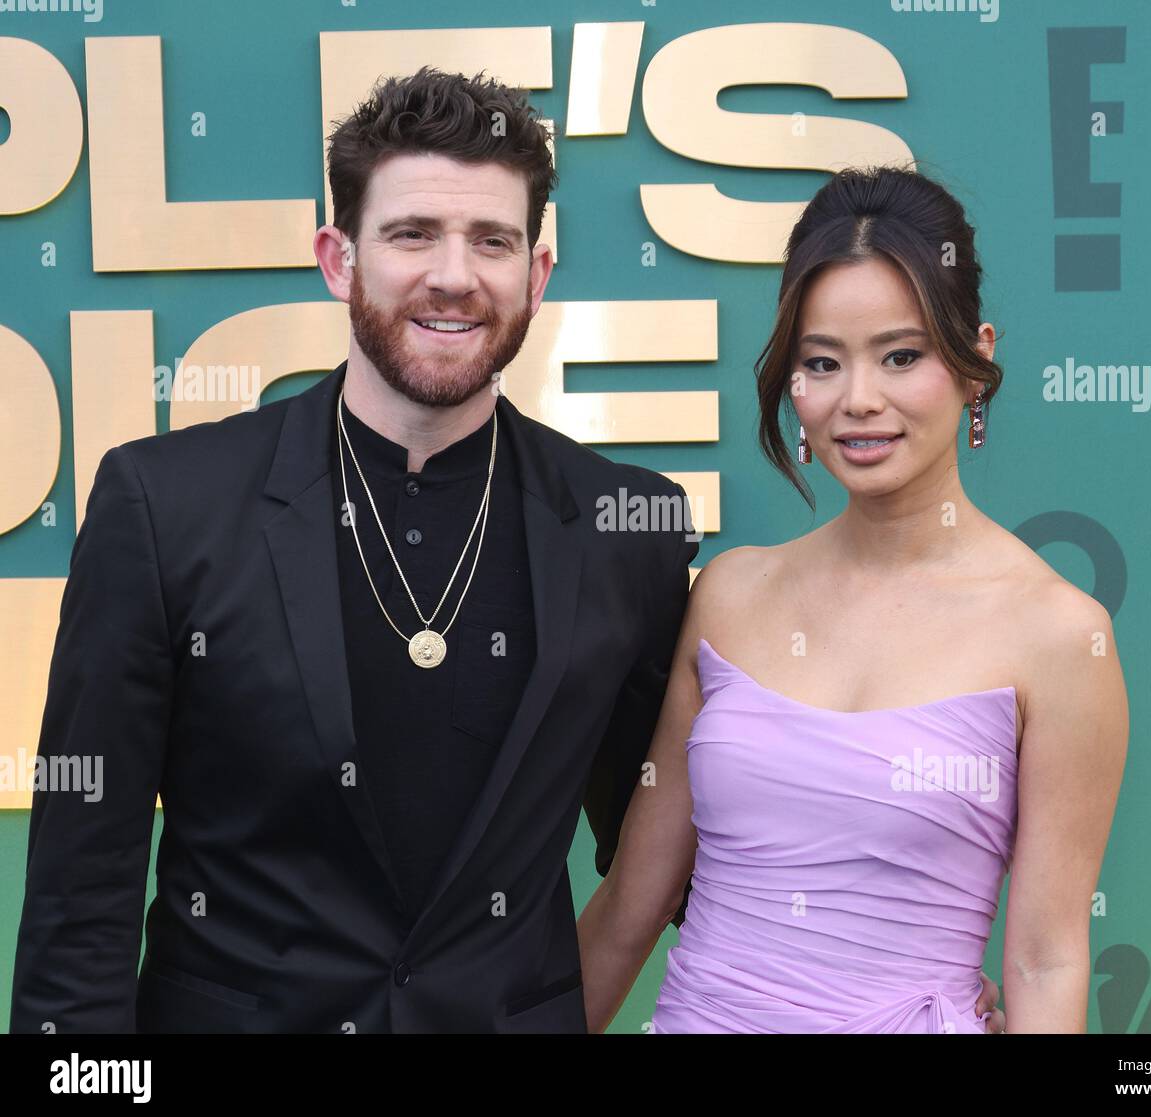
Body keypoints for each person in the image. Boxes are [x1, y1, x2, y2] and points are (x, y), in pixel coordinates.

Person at [9, 67, 697, 1033]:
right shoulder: (162, 505)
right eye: (412, 233)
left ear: (536, 277)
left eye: (491, 241)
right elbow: (81, 899)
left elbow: (669, 844)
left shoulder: (632, 526)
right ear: (339, 259)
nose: (454, 275)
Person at [577, 165, 1129, 1033]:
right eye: (822, 362)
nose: (859, 400)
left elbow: (1046, 956)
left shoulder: (1059, 636)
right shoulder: (730, 592)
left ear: (975, 359)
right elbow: (631, 905)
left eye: (901, 356)